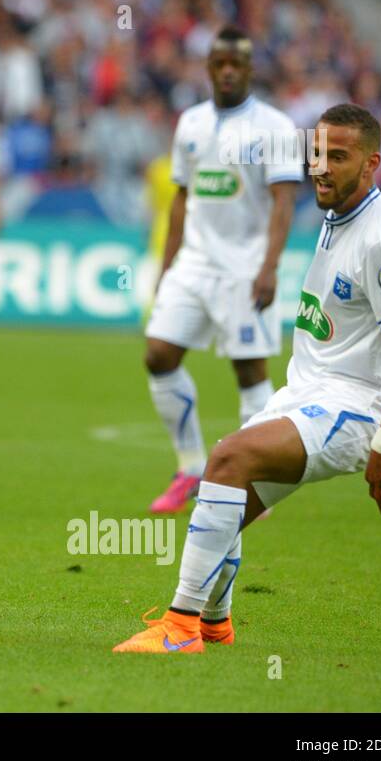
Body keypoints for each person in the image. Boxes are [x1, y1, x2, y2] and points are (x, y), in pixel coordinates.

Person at [115, 104, 381, 653]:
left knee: (225, 461)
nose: (321, 167)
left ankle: (179, 628)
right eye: (317, 153)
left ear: (372, 165)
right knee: (223, 493)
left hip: (352, 410)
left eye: (339, 157)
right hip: (309, 394)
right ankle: (216, 622)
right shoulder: (340, 216)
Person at [144, 26, 302, 514]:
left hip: (245, 268)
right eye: (220, 64)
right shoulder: (190, 122)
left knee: (250, 372)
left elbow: (283, 203)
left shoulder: (275, 127)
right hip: (194, 263)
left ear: (250, 69)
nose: (229, 71)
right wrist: (166, 267)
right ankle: (190, 466)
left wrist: (270, 267)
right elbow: (181, 201)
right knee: (158, 355)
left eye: (237, 64)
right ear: (209, 68)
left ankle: (255, 480)